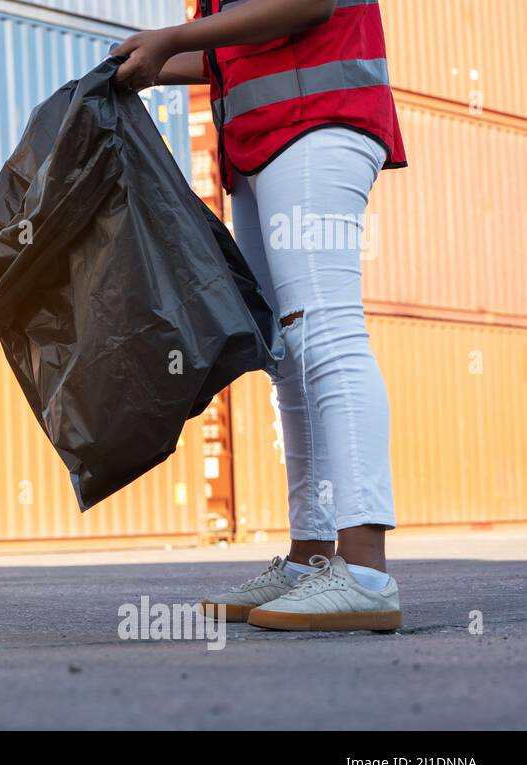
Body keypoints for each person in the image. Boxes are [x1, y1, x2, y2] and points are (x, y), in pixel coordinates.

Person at [113, 0, 407, 631]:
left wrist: (172, 37)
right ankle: (310, 559)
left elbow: (306, 5)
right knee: (287, 355)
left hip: (316, 127)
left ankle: (363, 572)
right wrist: (156, 62)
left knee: (325, 333)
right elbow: (239, 52)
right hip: (262, 148)